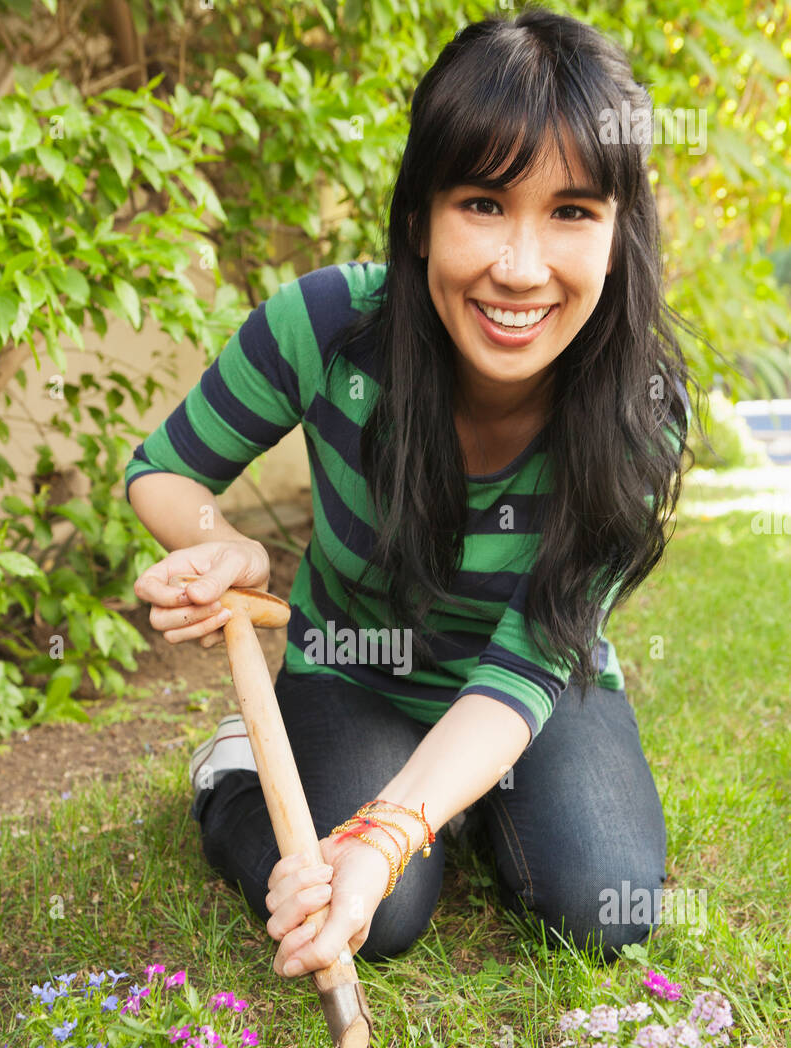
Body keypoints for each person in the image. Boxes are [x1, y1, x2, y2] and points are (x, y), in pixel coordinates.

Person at [128, 6, 703, 981]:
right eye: (481, 202)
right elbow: (164, 471)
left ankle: (455, 792)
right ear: (419, 214)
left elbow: (529, 663)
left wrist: (394, 819)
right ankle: (238, 774)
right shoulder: (324, 325)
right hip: (358, 672)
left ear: (617, 231)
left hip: (539, 685)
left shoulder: (639, 407)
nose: (518, 269)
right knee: (378, 914)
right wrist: (225, 542)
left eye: (570, 211)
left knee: (605, 905)